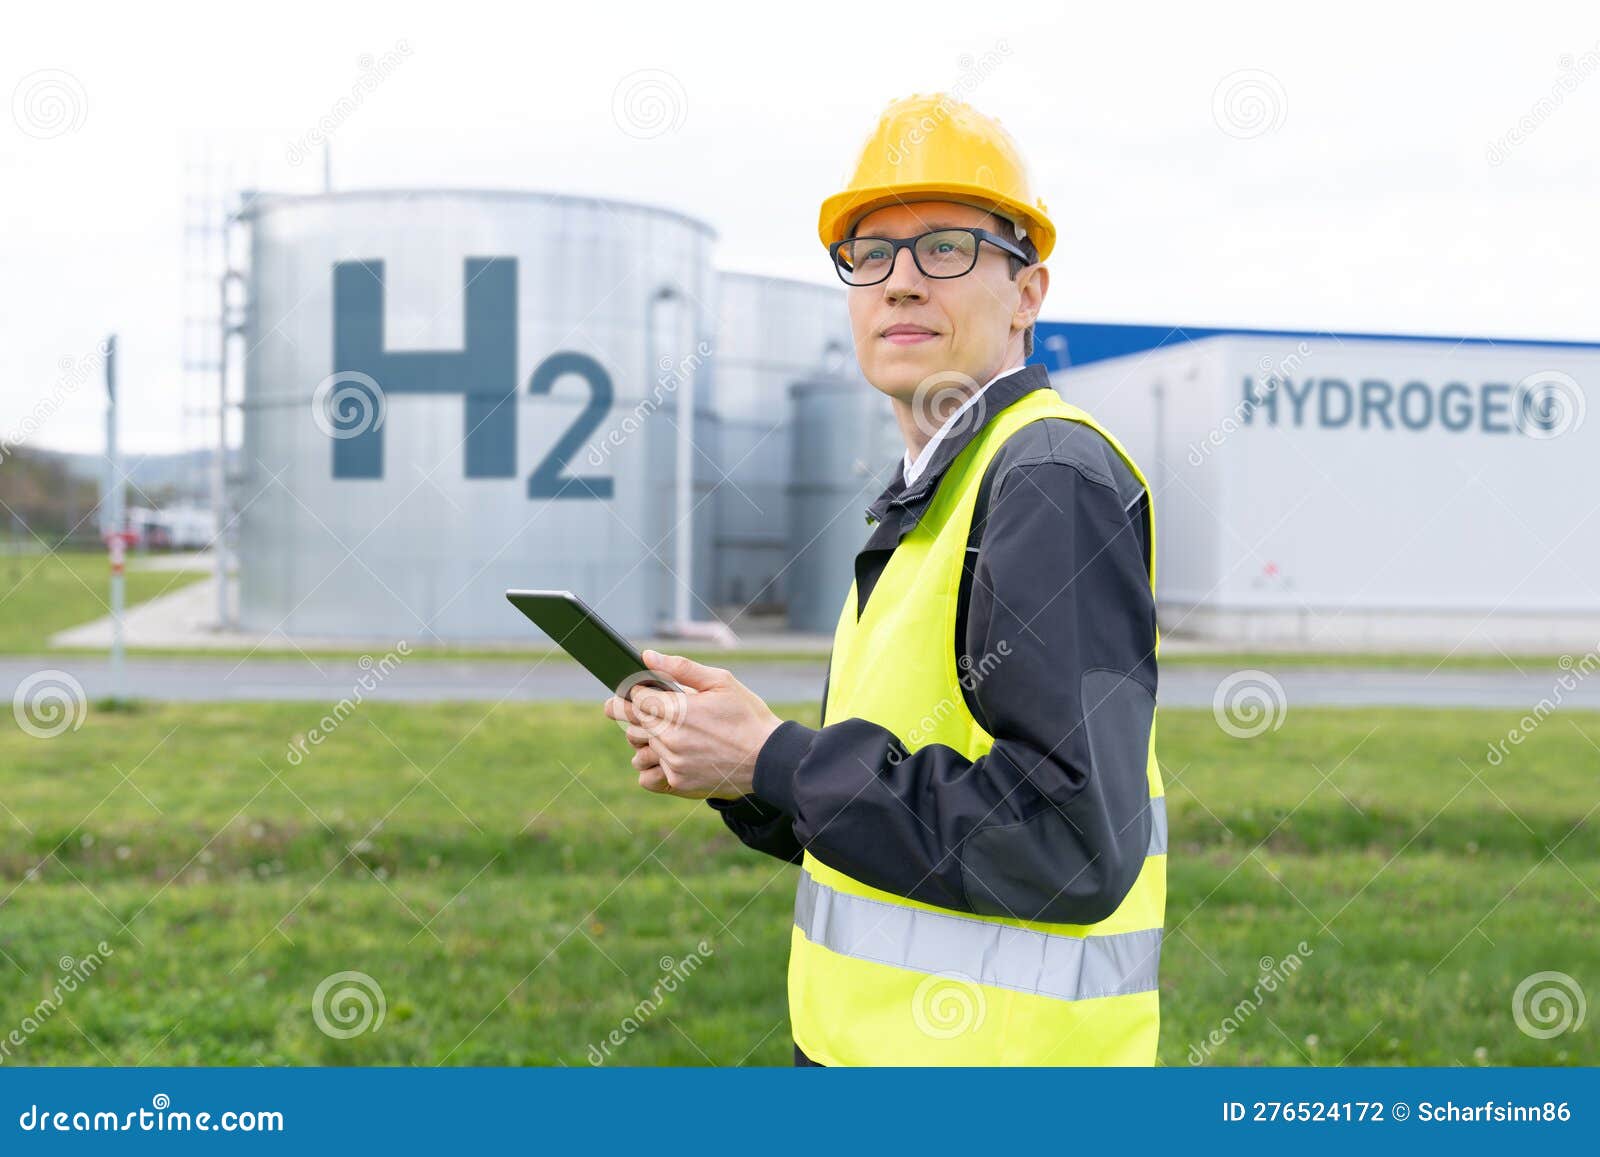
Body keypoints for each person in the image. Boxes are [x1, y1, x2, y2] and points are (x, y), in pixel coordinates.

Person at [603, 92, 1165, 1067]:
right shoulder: (932, 492)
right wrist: (745, 770)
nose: (900, 282)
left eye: (945, 248)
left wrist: (780, 758)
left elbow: (1066, 841)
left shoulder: (1045, 477)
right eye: (870, 254)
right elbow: (902, 817)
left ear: (1027, 293)